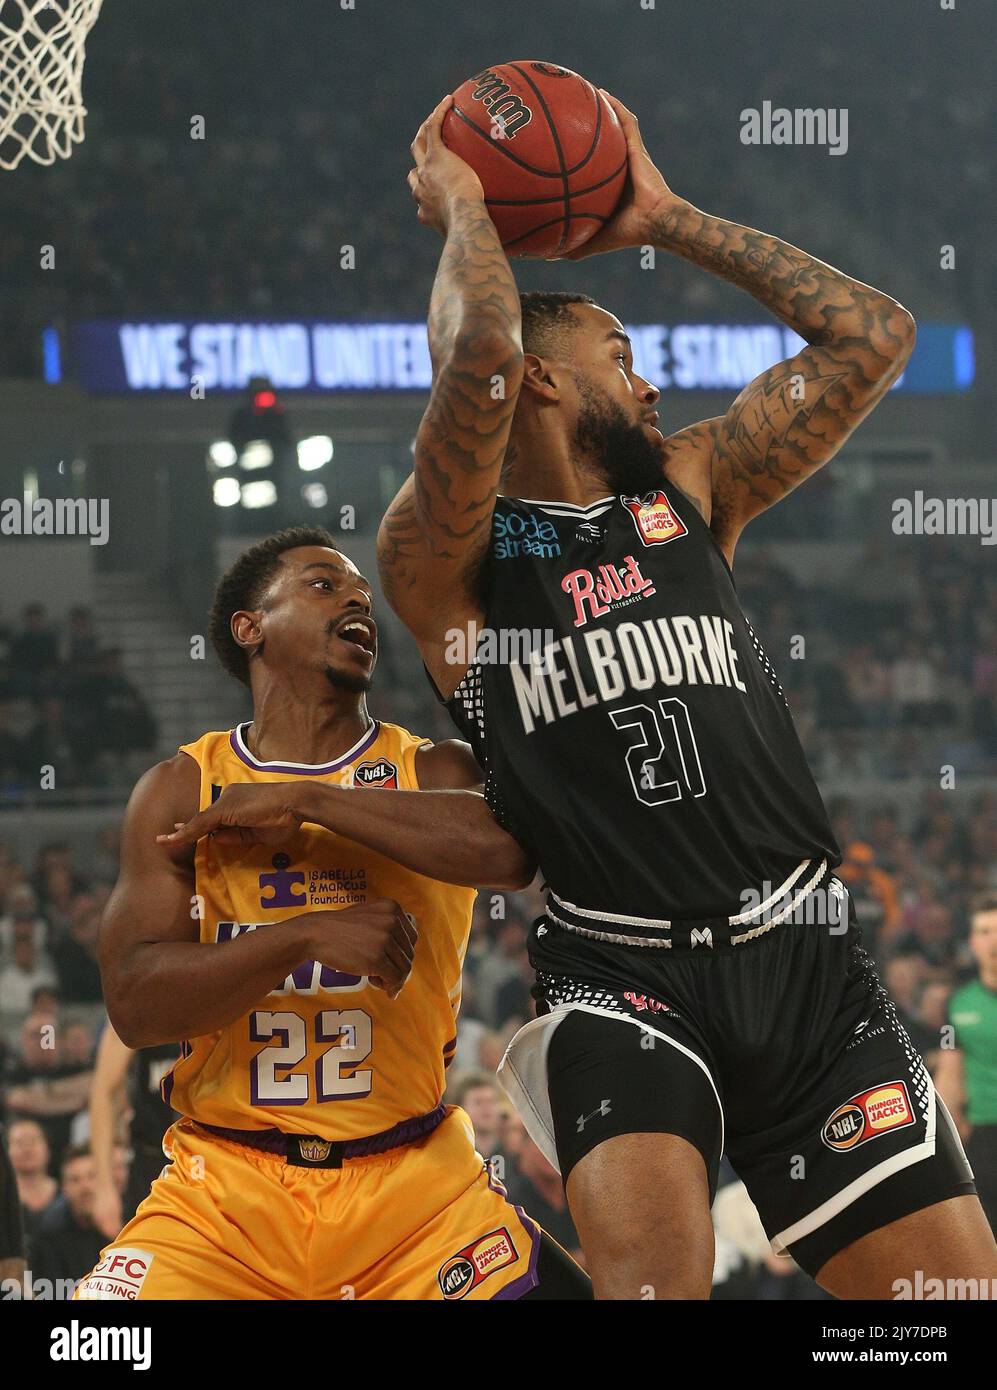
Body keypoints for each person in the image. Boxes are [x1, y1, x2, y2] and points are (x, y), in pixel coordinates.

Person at [379, 90, 997, 1299]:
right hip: (625, 974)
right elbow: (480, 351)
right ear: (548, 387)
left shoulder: (689, 484)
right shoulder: (444, 550)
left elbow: (872, 336)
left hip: (808, 961)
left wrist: (661, 216)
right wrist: (466, 200)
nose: (650, 386)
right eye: (622, 357)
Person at [78, 527, 589, 1300]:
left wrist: (306, 799)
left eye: (359, 590)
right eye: (323, 584)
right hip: (225, 1198)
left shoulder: (430, 767)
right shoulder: (181, 787)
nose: (357, 598)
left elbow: (510, 853)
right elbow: (136, 1006)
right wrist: (305, 936)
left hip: (415, 1196)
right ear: (250, 628)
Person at [935, 895, 997, 1234]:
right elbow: (949, 1071)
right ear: (973, 942)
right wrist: (951, 1139)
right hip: (984, 1139)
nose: (993, 941)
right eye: (984, 931)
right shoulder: (956, 1007)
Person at [88, 1022, 180, 1239]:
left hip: (218, 1158)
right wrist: (104, 1187)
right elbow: (104, 1092)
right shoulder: (146, 996)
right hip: (153, 1162)